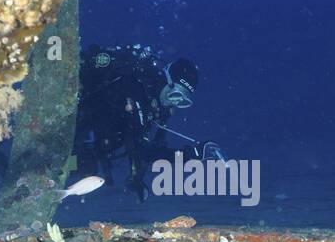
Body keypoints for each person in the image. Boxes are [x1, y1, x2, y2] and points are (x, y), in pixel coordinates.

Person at [73, 43, 223, 201]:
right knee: (81, 164)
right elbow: (143, 150)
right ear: (167, 81)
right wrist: (191, 155)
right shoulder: (136, 90)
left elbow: (146, 147)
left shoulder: (155, 105)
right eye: (175, 94)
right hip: (78, 133)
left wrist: (137, 179)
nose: (175, 103)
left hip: (95, 143)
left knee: (86, 163)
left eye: (183, 100)